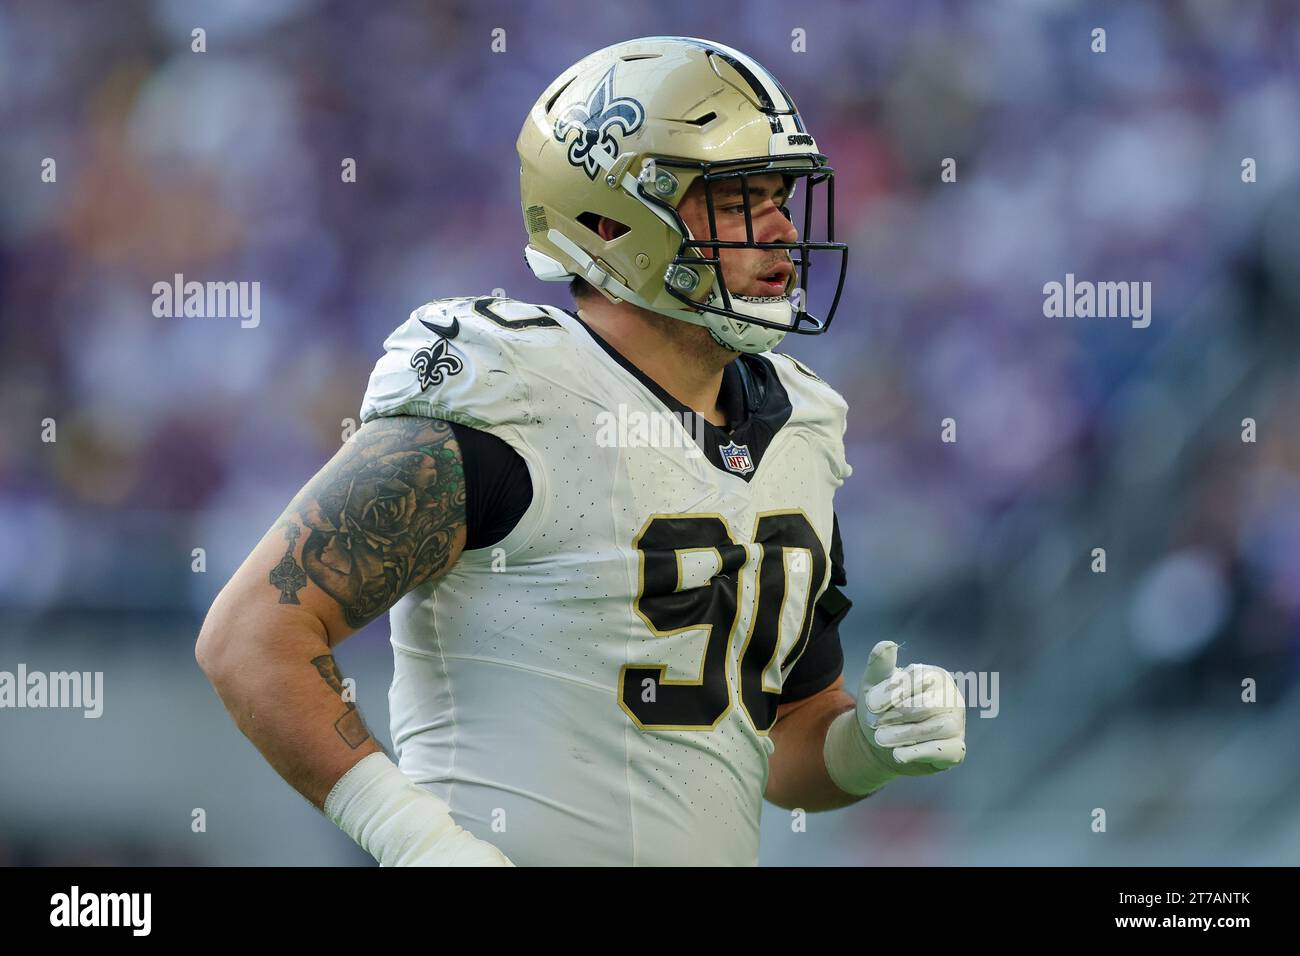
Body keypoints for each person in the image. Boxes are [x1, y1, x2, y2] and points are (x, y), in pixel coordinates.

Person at [196, 36, 966, 867]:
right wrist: (416, 843)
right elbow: (251, 636)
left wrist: (869, 746)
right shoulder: (512, 392)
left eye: (781, 194)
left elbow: (780, 739)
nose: (781, 227)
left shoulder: (796, 425)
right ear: (612, 220)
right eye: (740, 197)